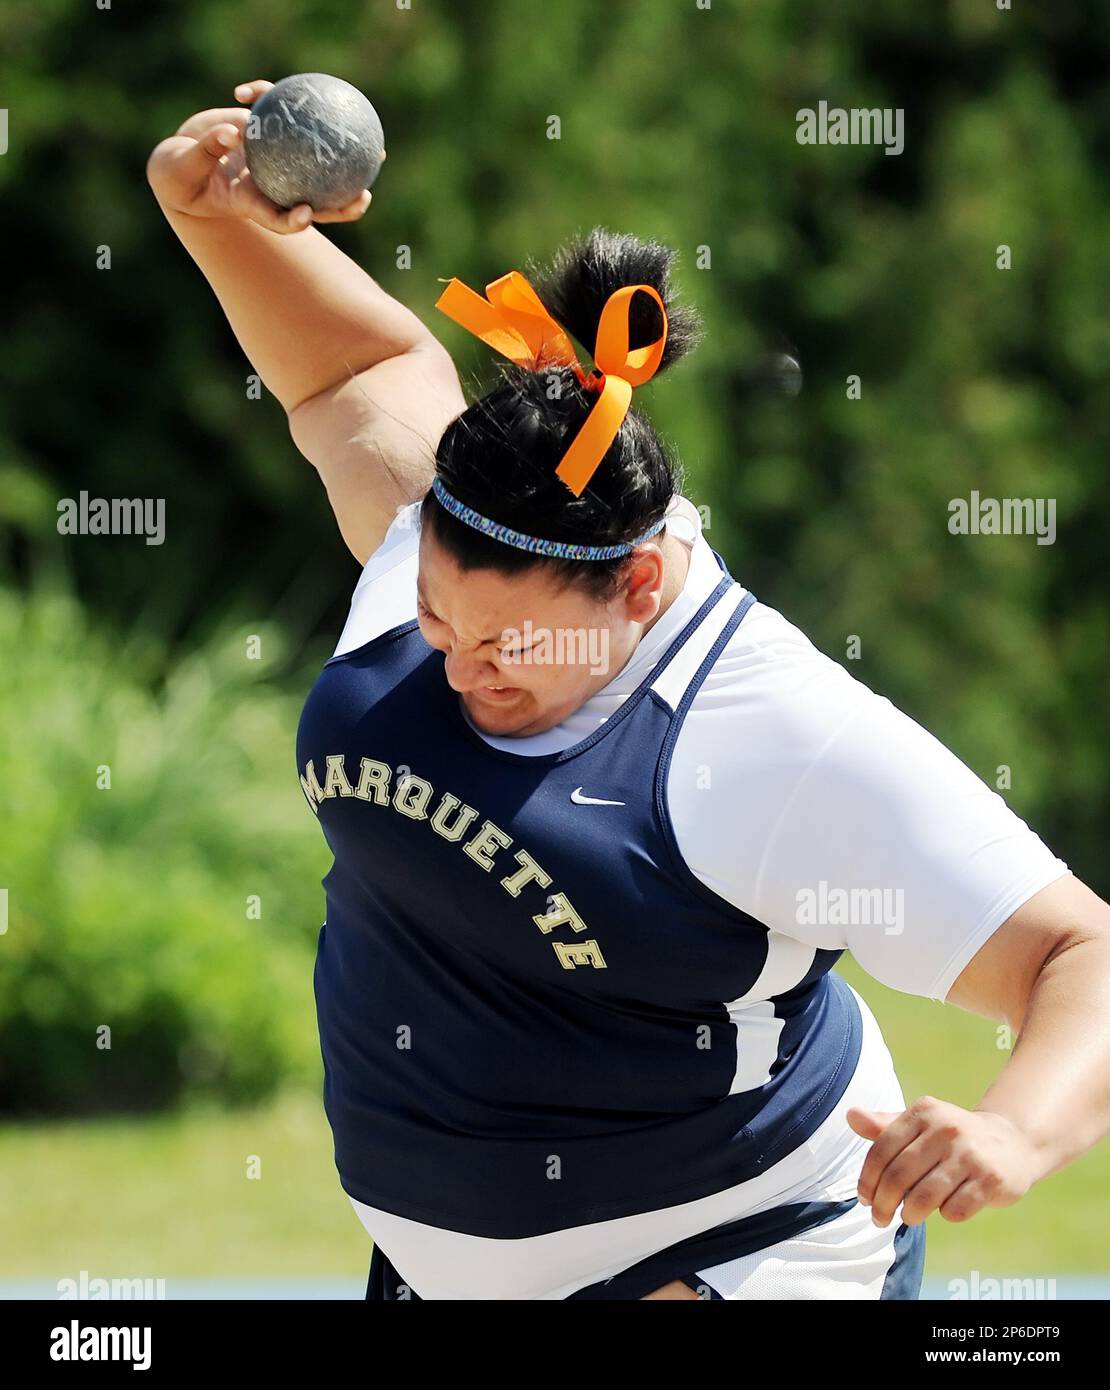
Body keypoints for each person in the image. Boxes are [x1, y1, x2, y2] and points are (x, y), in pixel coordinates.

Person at [146, 80, 1110, 1301]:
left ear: (639, 584)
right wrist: (212, 217)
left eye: (509, 647)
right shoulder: (427, 546)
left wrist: (1018, 1131)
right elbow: (354, 373)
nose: (458, 664)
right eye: (441, 617)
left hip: (731, 1247)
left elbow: (1081, 948)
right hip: (444, 1266)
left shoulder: (769, 735)